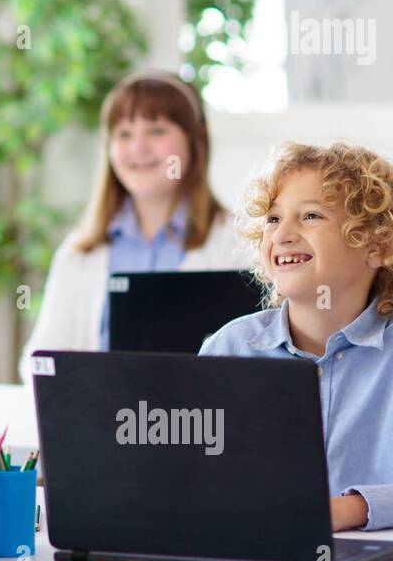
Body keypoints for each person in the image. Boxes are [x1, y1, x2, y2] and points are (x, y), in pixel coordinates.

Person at [200, 142, 393, 531]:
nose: (282, 234)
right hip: (256, 557)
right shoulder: (227, 349)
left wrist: (353, 508)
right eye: (273, 219)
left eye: (310, 216)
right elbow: (187, 472)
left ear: (377, 246)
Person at [19, 70, 242, 380]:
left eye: (157, 130)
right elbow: (39, 362)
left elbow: (252, 364)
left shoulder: (238, 242)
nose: (138, 148)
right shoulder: (80, 252)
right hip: (98, 409)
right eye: (124, 134)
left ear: (196, 139)